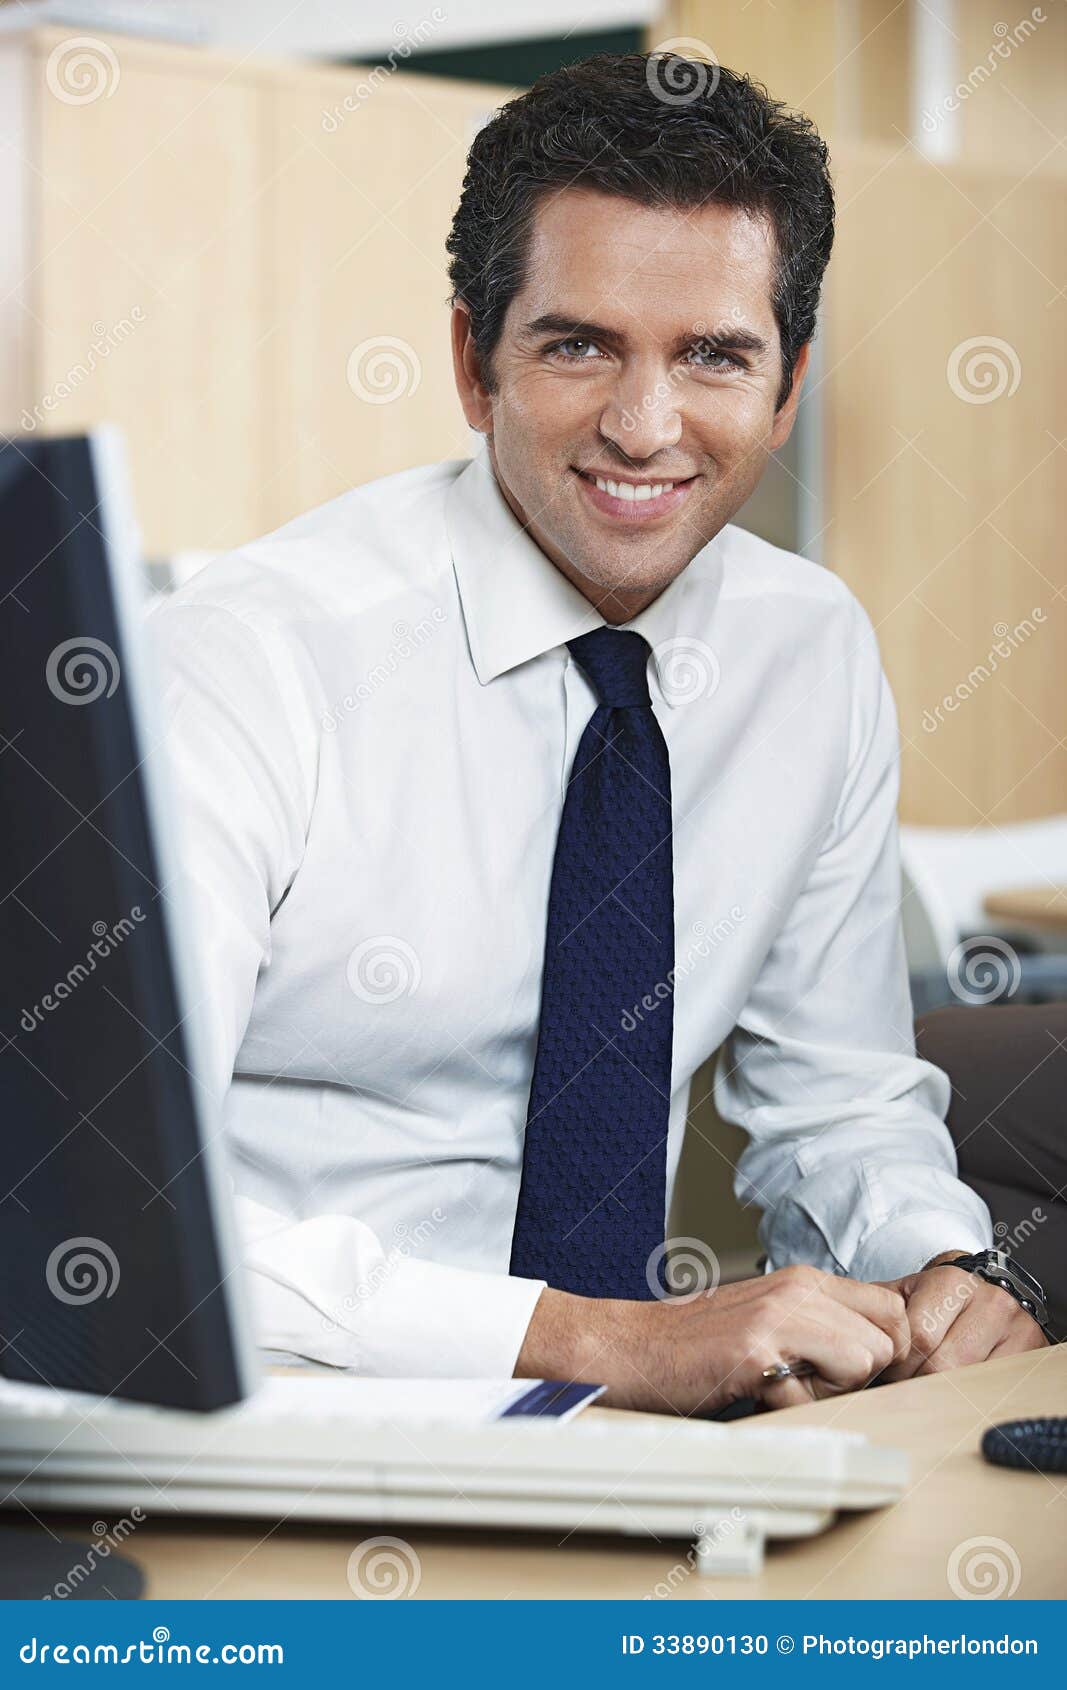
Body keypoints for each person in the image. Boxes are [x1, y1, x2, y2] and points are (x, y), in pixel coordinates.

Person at [149, 53, 1045, 1417]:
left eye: (714, 357)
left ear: (788, 383)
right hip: (284, 1405)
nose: (644, 425)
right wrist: (610, 1343)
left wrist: (933, 1262)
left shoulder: (810, 657)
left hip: (638, 1432)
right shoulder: (245, 658)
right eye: (579, 344)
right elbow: (117, 1214)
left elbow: (840, 1100)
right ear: (472, 360)